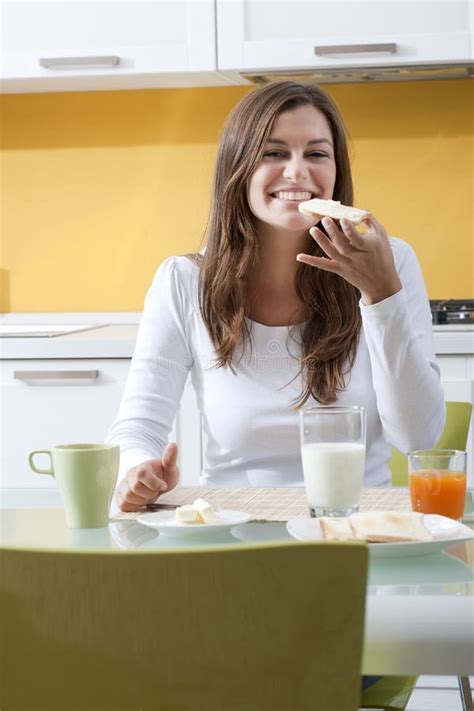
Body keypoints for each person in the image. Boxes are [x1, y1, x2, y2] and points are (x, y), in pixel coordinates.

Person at [107, 80, 445, 513]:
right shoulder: (185, 280)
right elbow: (136, 427)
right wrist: (138, 471)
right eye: (274, 152)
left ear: (337, 170)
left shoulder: (389, 261)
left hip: (358, 525)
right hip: (232, 527)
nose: (298, 172)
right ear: (238, 166)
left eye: (317, 154)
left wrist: (381, 295)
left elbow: (418, 438)